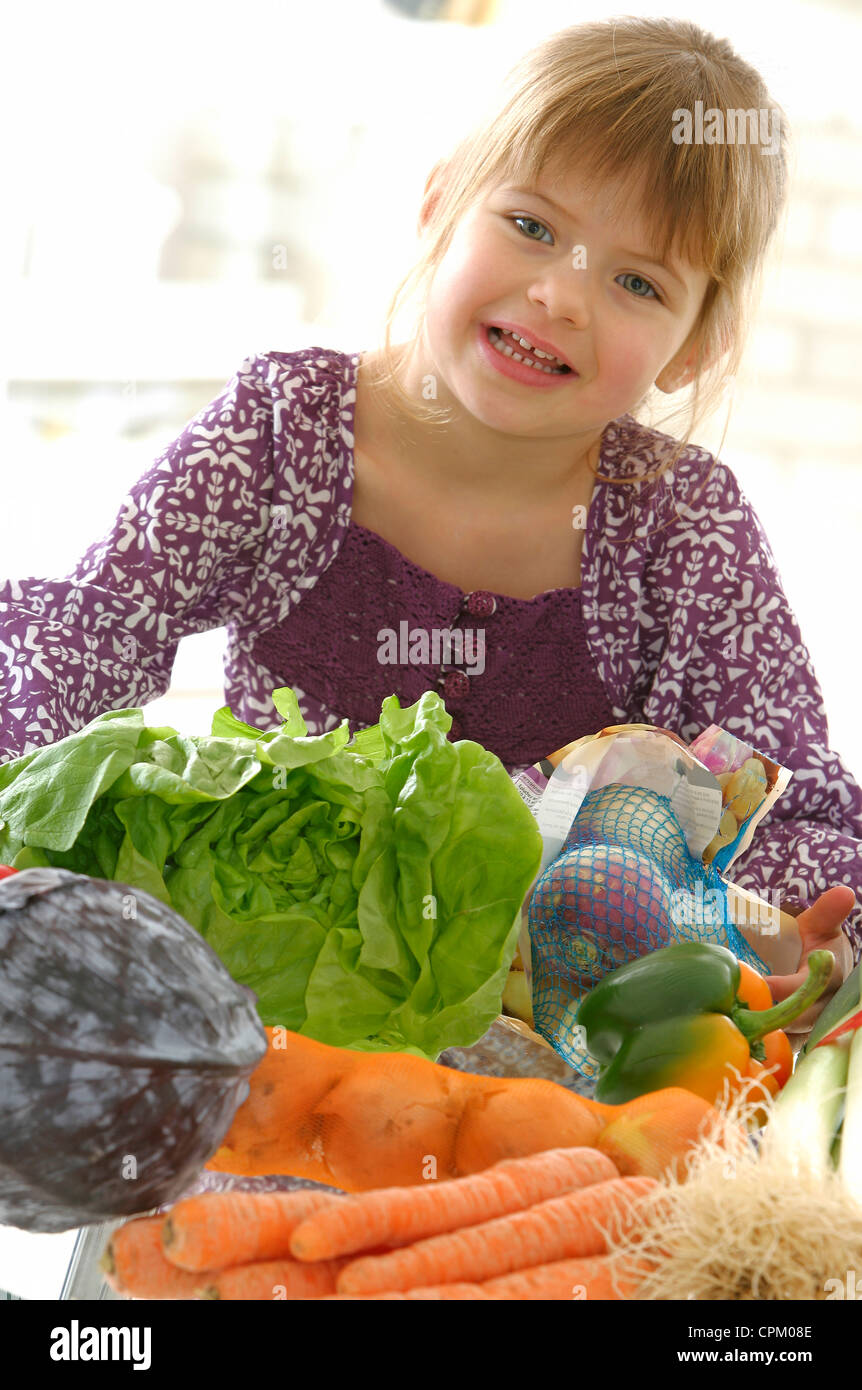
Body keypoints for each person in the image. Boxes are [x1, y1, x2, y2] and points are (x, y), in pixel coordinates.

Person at [1, 18, 859, 1023]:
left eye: (635, 282)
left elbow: (802, 805)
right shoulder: (285, 435)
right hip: (250, 1004)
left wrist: (801, 931)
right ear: (441, 204)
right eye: (533, 227)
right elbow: (87, 633)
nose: (558, 295)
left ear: (692, 346)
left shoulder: (680, 527)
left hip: (545, 1040)